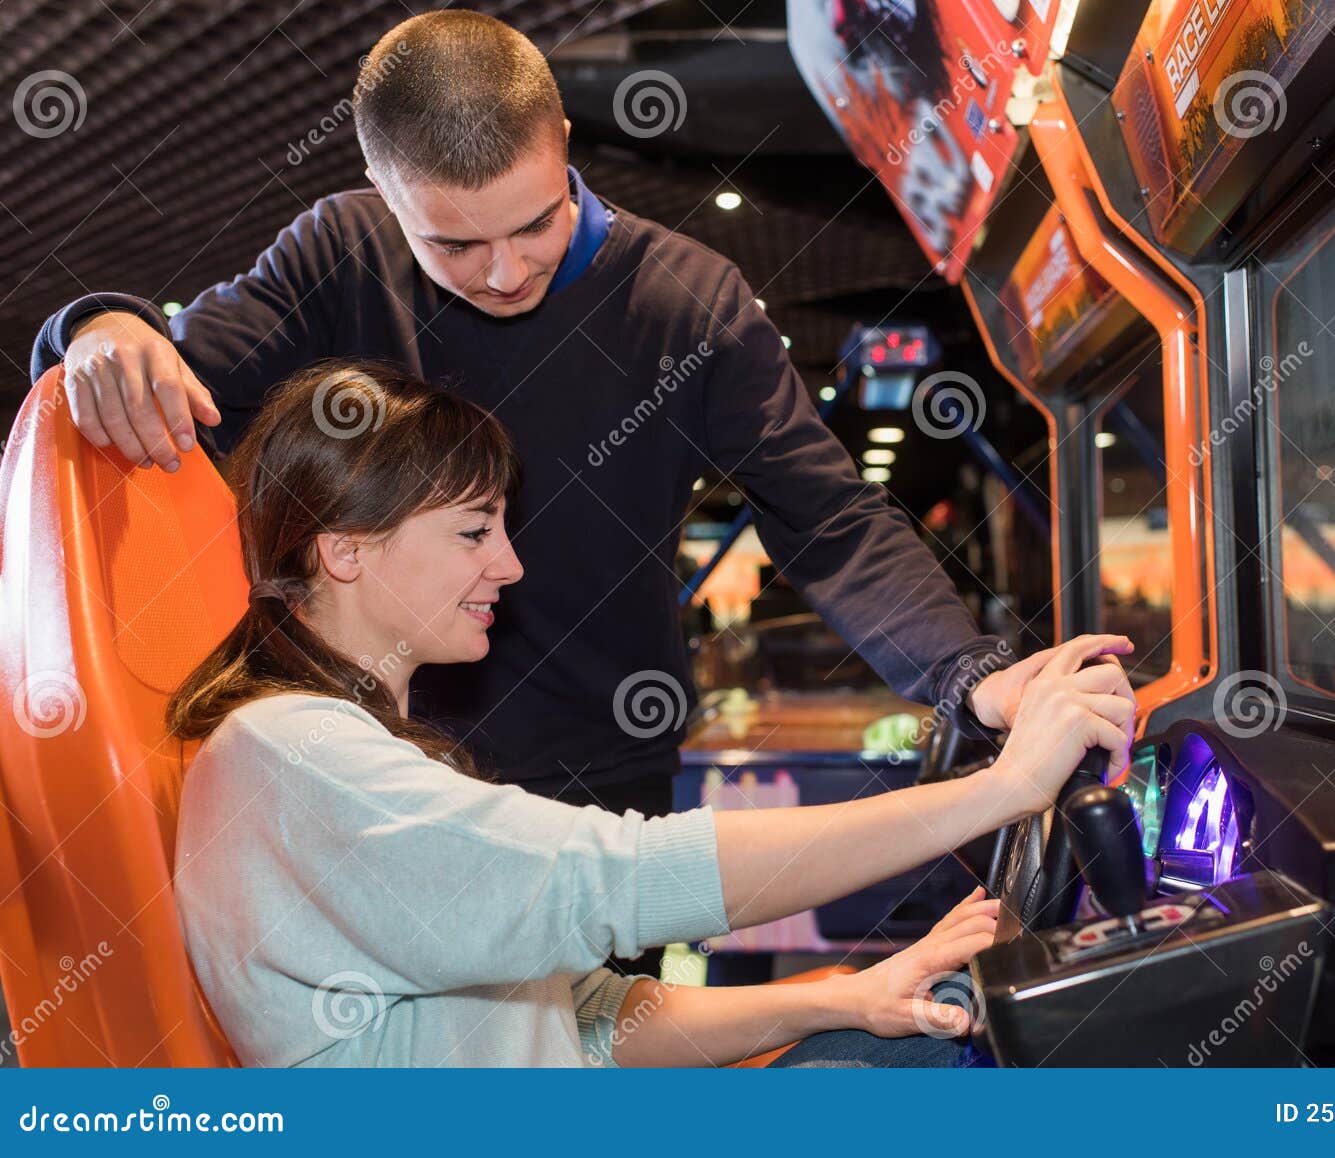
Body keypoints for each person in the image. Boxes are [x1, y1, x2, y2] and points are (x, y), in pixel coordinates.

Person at [30, 10, 1100, 837]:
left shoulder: (688, 302)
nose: (505, 272)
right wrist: (99, 329)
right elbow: (172, 373)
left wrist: (967, 672)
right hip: (361, 763)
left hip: (598, 768)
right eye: (454, 245)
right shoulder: (341, 250)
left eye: (534, 223)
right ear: (385, 193)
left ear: (565, 147)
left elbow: (827, 521)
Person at [168, 362, 1138, 1067]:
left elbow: (591, 1023)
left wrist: (847, 998)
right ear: (343, 550)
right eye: (472, 531)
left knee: (923, 1042)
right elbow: (621, 879)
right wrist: (1002, 788)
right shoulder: (285, 751)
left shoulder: (335, 745)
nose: (508, 563)